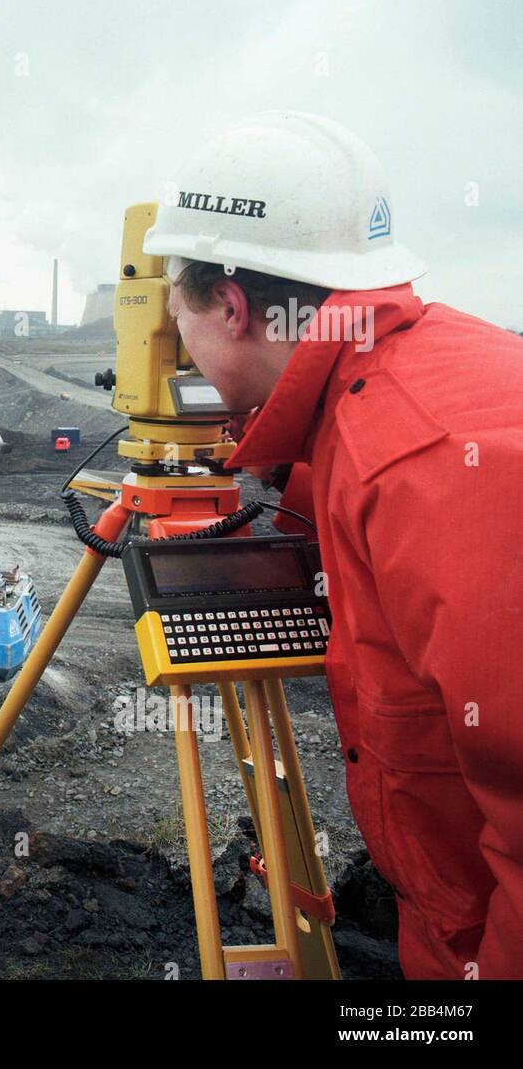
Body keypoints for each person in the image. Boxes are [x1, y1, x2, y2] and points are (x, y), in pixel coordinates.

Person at [143, 110, 523, 979]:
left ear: (232, 307)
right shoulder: (428, 374)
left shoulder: (429, 469)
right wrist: (293, 475)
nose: (181, 350)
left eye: (183, 322)